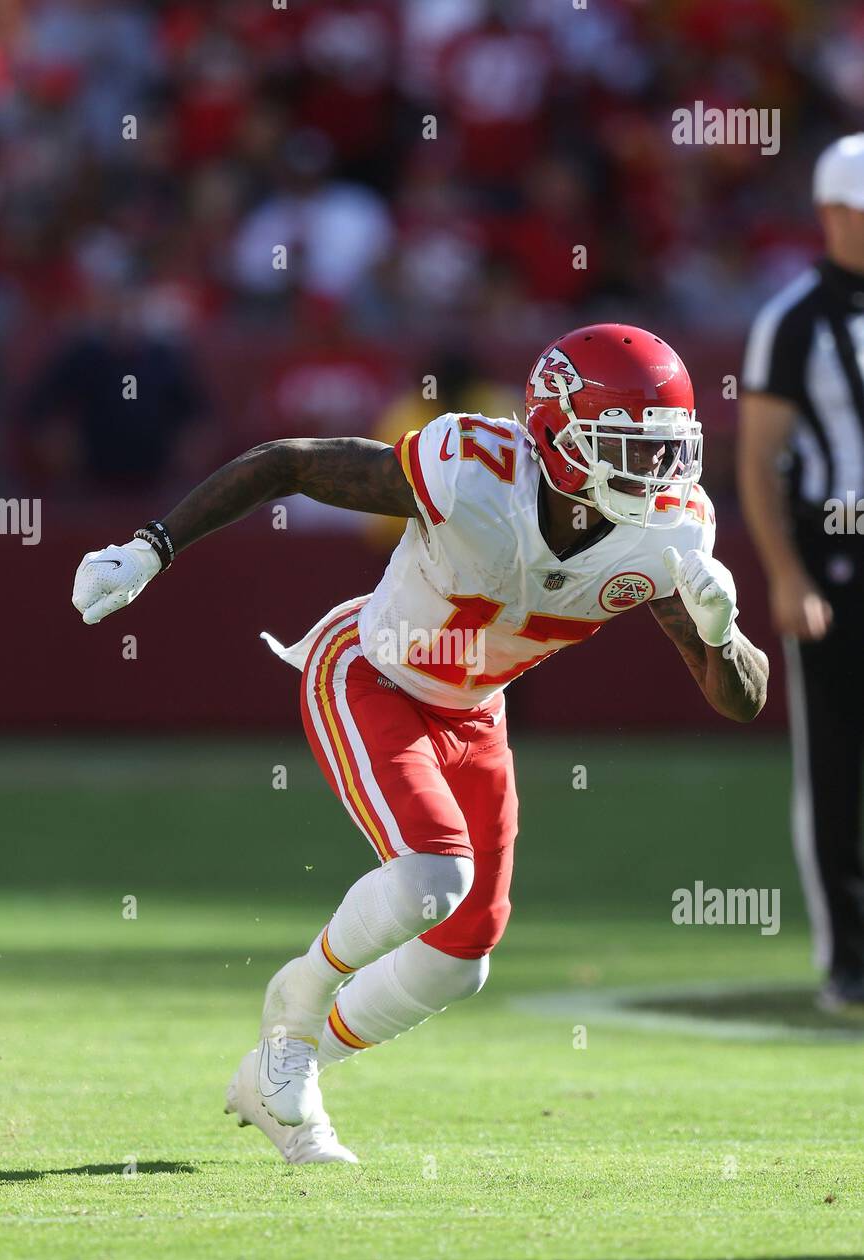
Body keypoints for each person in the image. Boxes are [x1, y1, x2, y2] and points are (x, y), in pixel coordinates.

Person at [72, 323, 768, 1163]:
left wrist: (724, 634)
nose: (655, 473)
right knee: (434, 876)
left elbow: (739, 701)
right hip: (372, 672)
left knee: (461, 959)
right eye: (628, 446)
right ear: (558, 435)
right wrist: (152, 548)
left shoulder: (670, 531)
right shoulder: (475, 470)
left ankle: (283, 1070)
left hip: (476, 709)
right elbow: (289, 461)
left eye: (666, 450)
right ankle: (289, 1019)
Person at [738, 134, 864, 1012]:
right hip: (837, 557)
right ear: (833, 214)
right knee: (837, 761)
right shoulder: (795, 320)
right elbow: (759, 460)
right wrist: (785, 572)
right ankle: (849, 959)